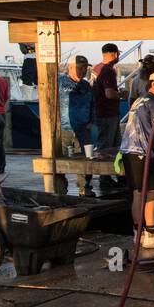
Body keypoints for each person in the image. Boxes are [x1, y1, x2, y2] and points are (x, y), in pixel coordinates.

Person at [120, 71, 154, 250]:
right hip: (144, 152)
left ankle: (138, 233)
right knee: (152, 192)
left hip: (128, 151)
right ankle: (151, 234)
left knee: (137, 192)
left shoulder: (138, 101)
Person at [58, 55, 96, 196]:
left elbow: (92, 104)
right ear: (71, 67)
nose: (83, 70)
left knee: (87, 159)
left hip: (83, 128)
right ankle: (60, 189)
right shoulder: (60, 82)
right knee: (60, 159)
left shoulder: (86, 85)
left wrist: (92, 120)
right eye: (80, 68)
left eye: (85, 68)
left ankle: (84, 188)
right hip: (64, 128)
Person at [93, 44, 122, 193]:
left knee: (109, 145)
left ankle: (111, 177)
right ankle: (105, 179)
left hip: (100, 111)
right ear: (114, 54)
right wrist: (122, 94)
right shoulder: (108, 71)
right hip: (108, 113)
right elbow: (109, 93)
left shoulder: (96, 68)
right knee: (108, 147)